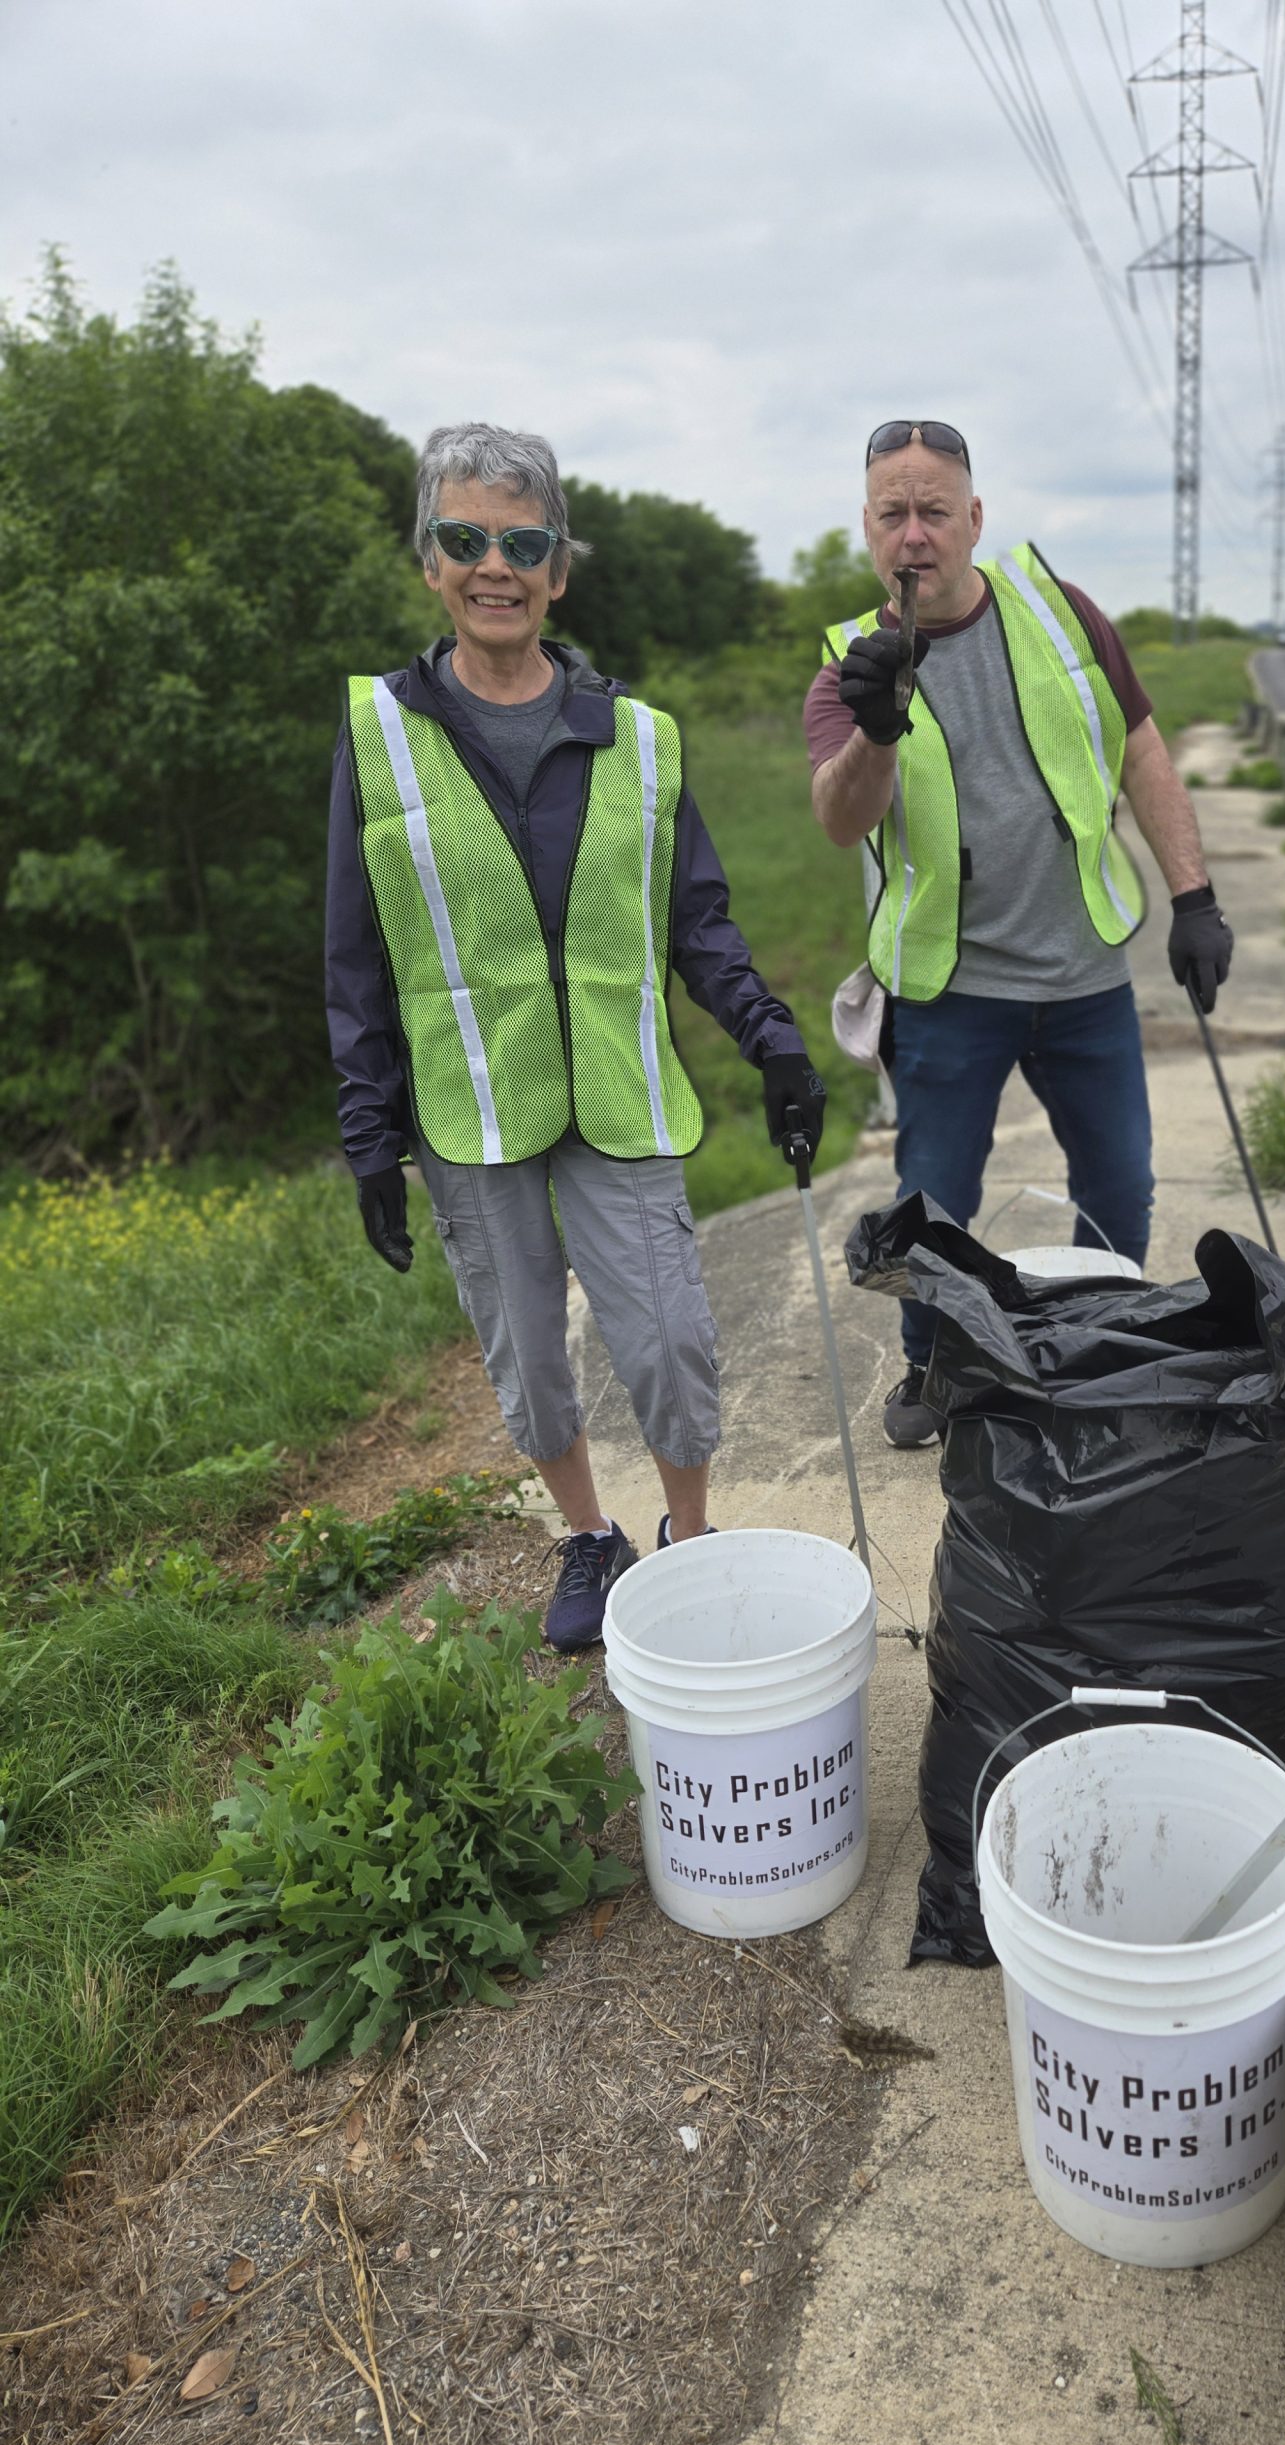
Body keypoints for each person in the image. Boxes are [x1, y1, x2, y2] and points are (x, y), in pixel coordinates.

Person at [327, 422, 825, 1649]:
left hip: (618, 1090)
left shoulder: (640, 739)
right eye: (464, 539)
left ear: (558, 568)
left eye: (522, 541)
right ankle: (585, 1535)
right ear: (429, 562)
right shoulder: (383, 733)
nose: (493, 565)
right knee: (527, 1355)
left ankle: (688, 1537)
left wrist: (771, 1037)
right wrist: (365, 1127)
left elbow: (695, 921)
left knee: (668, 1336)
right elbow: (359, 950)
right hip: (470, 1104)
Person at [805, 417, 1233, 1447]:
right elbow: (837, 819)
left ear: (975, 519)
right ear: (868, 529)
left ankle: (1104, 1346)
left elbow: (1142, 753)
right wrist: (876, 726)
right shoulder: (847, 667)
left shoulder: (1061, 615)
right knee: (934, 1202)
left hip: (1085, 974)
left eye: (936, 512)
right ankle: (933, 1370)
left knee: (1121, 1182)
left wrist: (1194, 897)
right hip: (951, 990)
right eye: (894, 515)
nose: (916, 536)